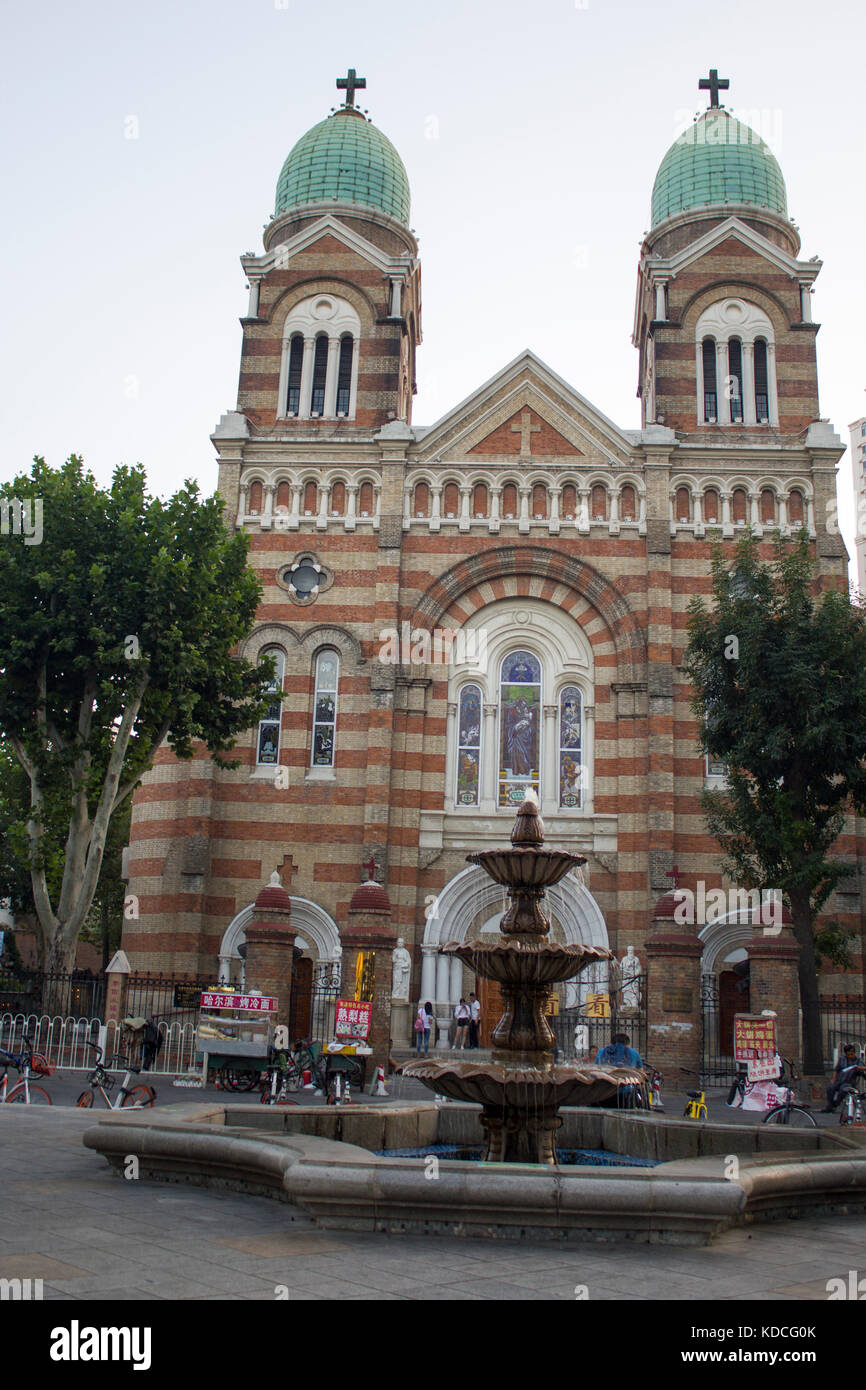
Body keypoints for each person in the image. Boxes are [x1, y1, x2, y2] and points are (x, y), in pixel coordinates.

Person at [821, 1044, 866, 1112]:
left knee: (843, 1089)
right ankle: (830, 1105)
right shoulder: (842, 1059)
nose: (850, 1056)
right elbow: (837, 1069)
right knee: (830, 1088)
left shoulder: (858, 1061)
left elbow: (864, 1068)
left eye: (852, 1054)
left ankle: (836, 1103)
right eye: (848, 1054)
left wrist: (858, 1067)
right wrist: (834, 1079)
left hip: (849, 1082)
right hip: (839, 1080)